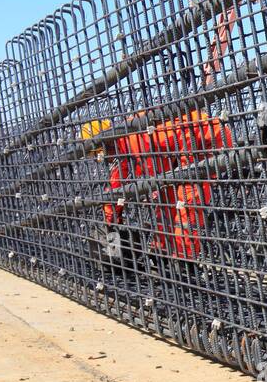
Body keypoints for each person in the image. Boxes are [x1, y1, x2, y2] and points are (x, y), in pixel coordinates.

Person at [84, 110, 232, 272]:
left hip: (207, 137)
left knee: (187, 201)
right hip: (185, 144)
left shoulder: (133, 138)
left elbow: (158, 170)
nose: (103, 158)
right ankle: (161, 254)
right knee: (167, 196)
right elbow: (117, 184)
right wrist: (110, 219)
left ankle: (182, 261)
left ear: (105, 144)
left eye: (100, 154)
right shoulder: (124, 140)